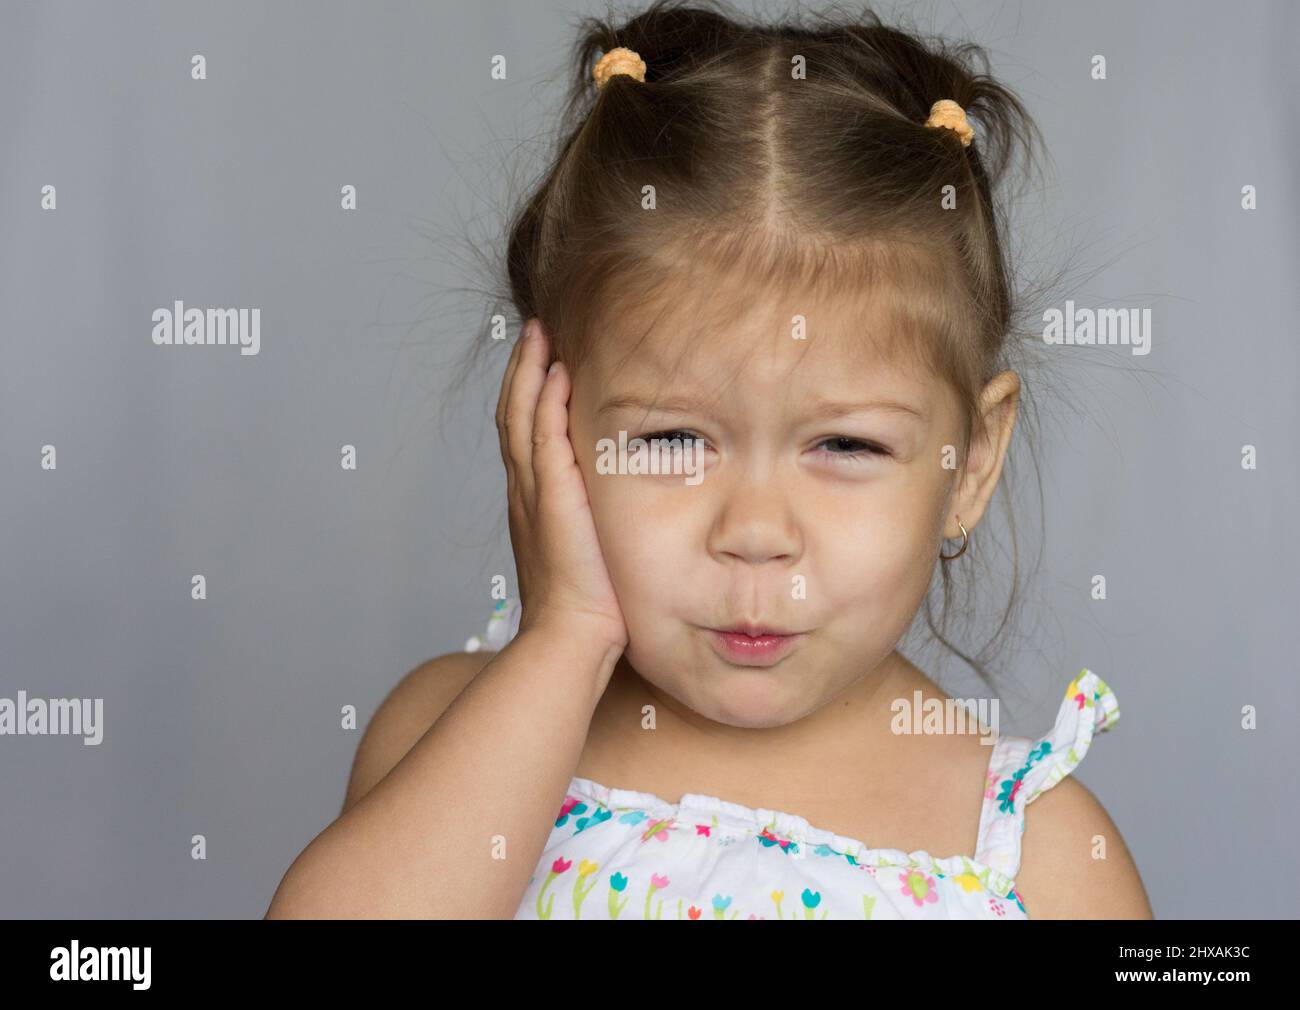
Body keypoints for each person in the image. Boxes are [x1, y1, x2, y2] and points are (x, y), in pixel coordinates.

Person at [267, 0, 1152, 920]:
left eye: (846, 444)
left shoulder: (1041, 864)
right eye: (673, 440)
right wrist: (564, 639)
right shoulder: (452, 736)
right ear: (548, 424)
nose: (756, 533)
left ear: (968, 463)